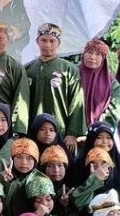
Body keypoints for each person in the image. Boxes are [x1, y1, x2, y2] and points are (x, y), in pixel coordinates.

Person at [24, 23, 85, 151]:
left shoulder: (69, 69)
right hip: (32, 131)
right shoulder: (28, 69)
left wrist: (72, 133)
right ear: (37, 41)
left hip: (59, 131)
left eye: (52, 41)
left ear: (59, 43)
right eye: (43, 40)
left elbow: (76, 102)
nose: (47, 45)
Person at [80, 38, 120, 131]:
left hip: (99, 133)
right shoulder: (72, 76)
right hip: (70, 134)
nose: (92, 57)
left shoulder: (112, 84)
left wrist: (98, 131)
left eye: (98, 54)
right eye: (89, 52)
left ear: (103, 59)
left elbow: (114, 113)